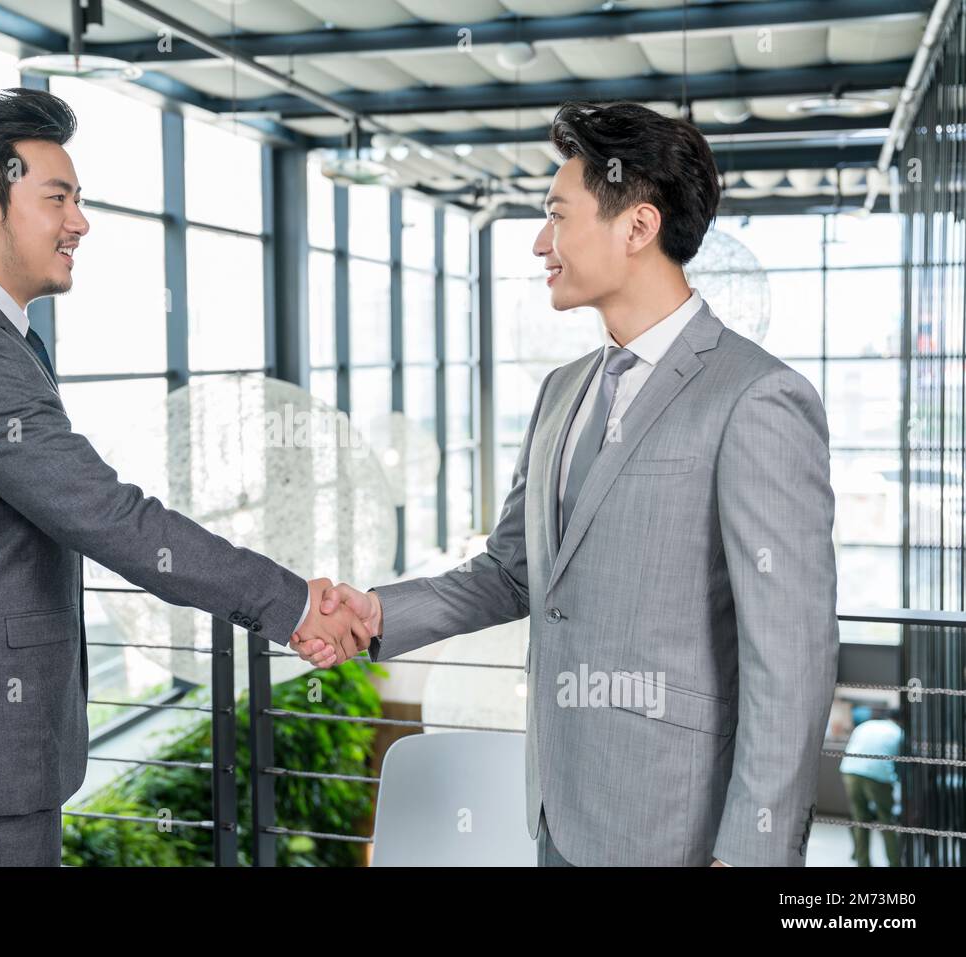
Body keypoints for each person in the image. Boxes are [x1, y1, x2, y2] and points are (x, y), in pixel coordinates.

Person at [295, 101, 840, 867]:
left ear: (638, 227)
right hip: (557, 812)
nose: (539, 241)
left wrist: (749, 854)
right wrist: (379, 610)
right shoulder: (562, 391)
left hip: (678, 831)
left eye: (557, 215)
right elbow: (513, 572)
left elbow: (794, 655)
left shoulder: (755, 398)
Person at [0, 88, 368, 866]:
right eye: (58, 199)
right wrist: (288, 601)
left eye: (78, 200)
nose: (79, 223)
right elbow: (112, 517)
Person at [839, 709, 903, 866]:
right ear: (900, 720)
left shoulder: (865, 725)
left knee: (860, 819)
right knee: (886, 820)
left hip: (850, 771)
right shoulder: (898, 732)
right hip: (878, 776)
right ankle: (895, 863)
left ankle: (863, 863)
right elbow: (900, 763)